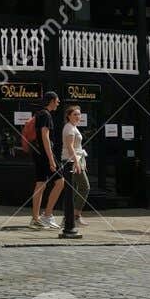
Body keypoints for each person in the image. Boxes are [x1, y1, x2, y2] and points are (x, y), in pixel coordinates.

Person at [27, 90, 64, 229]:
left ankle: (36, 218)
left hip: (38, 153)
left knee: (40, 184)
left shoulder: (39, 114)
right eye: (57, 100)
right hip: (45, 154)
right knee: (60, 182)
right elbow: (45, 137)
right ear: (52, 101)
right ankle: (47, 215)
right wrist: (51, 159)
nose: (59, 103)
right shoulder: (46, 115)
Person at [61, 103, 90, 239]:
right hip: (71, 161)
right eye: (75, 114)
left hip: (77, 159)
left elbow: (77, 147)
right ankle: (74, 216)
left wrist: (81, 161)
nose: (78, 116)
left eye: (79, 114)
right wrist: (77, 162)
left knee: (76, 188)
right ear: (68, 116)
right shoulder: (69, 128)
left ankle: (70, 217)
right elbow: (70, 146)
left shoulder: (73, 127)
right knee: (84, 187)